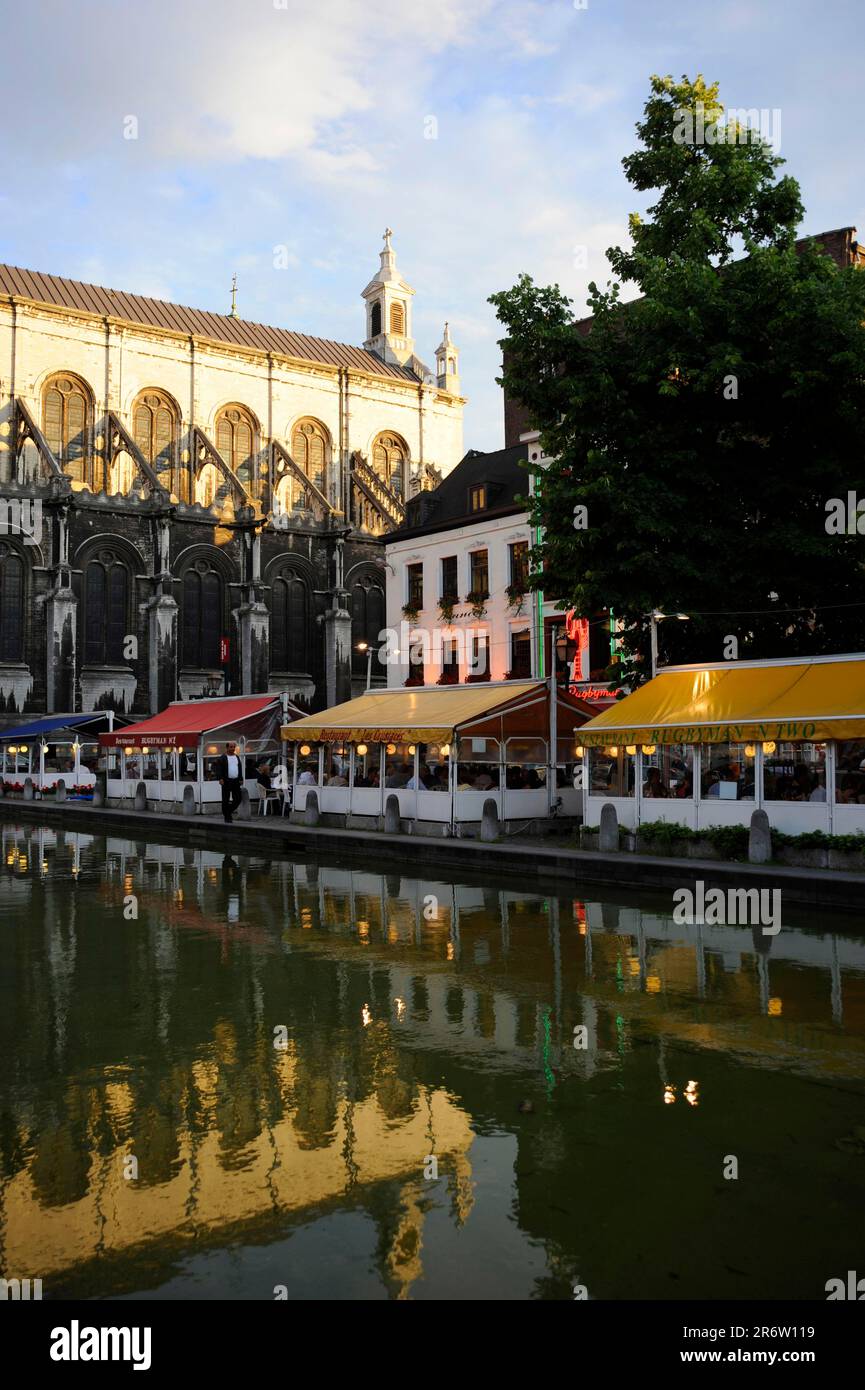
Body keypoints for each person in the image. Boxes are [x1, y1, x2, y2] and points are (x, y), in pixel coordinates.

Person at [215, 741, 243, 823]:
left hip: (236, 781)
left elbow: (239, 768)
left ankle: (228, 812)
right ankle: (227, 817)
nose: (233, 748)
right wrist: (220, 778)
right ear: (227, 748)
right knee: (225, 799)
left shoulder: (237, 757)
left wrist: (241, 778)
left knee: (238, 798)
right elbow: (219, 769)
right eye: (231, 747)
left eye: (234, 747)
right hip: (226, 781)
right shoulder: (223, 758)